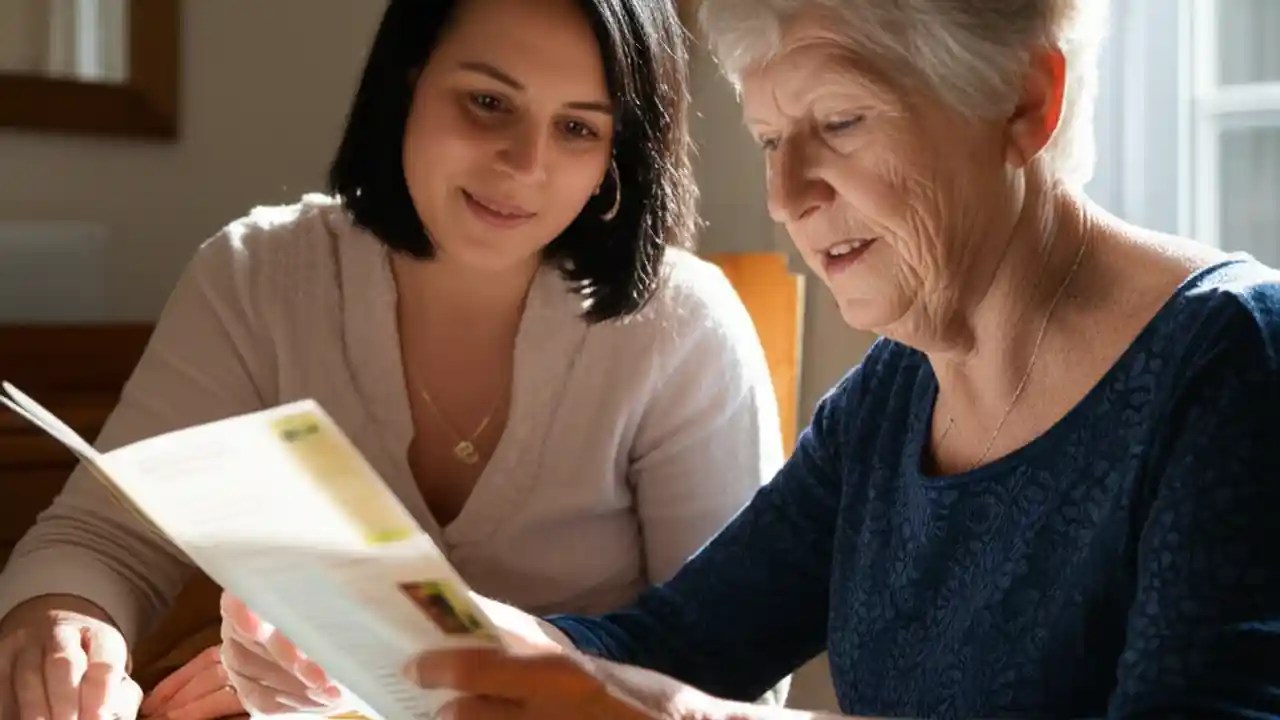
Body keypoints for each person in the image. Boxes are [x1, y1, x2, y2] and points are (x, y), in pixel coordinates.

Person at [219, 0, 1280, 717]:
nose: (786, 195)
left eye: (841, 121)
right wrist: (392, 633)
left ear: (1023, 106)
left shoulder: (1230, 357)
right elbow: (671, 643)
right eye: (772, 140)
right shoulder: (889, 399)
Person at [0, 0, 787, 717]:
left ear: (619, 152)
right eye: (488, 103)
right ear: (407, 83)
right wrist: (66, 626)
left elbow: (734, 662)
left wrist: (403, 674)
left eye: (578, 127)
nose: (524, 163)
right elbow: (103, 540)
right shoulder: (258, 278)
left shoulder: (682, 324)